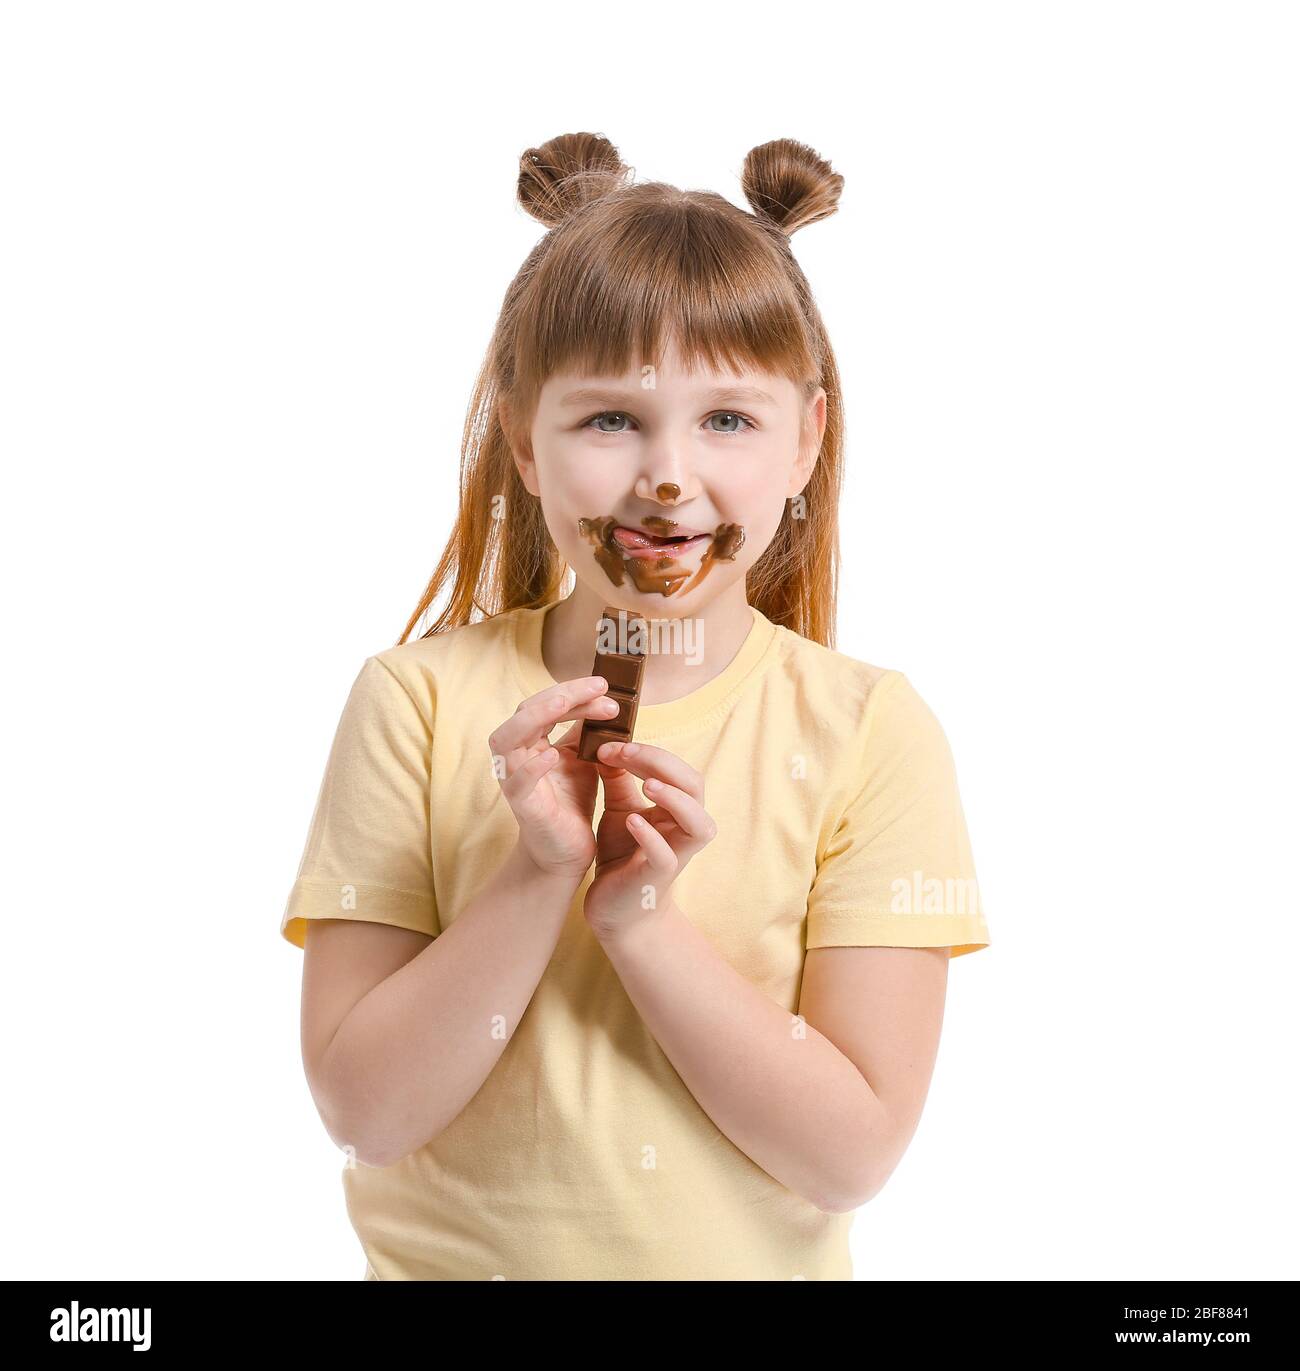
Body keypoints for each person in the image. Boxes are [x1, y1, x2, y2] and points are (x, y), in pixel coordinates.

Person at [280, 131, 991, 1281]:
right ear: (523, 434)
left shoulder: (869, 732)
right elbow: (368, 1112)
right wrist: (534, 874)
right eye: (610, 420)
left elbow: (848, 1157)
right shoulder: (411, 702)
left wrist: (642, 920)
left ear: (804, 439)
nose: (668, 475)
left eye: (727, 420)